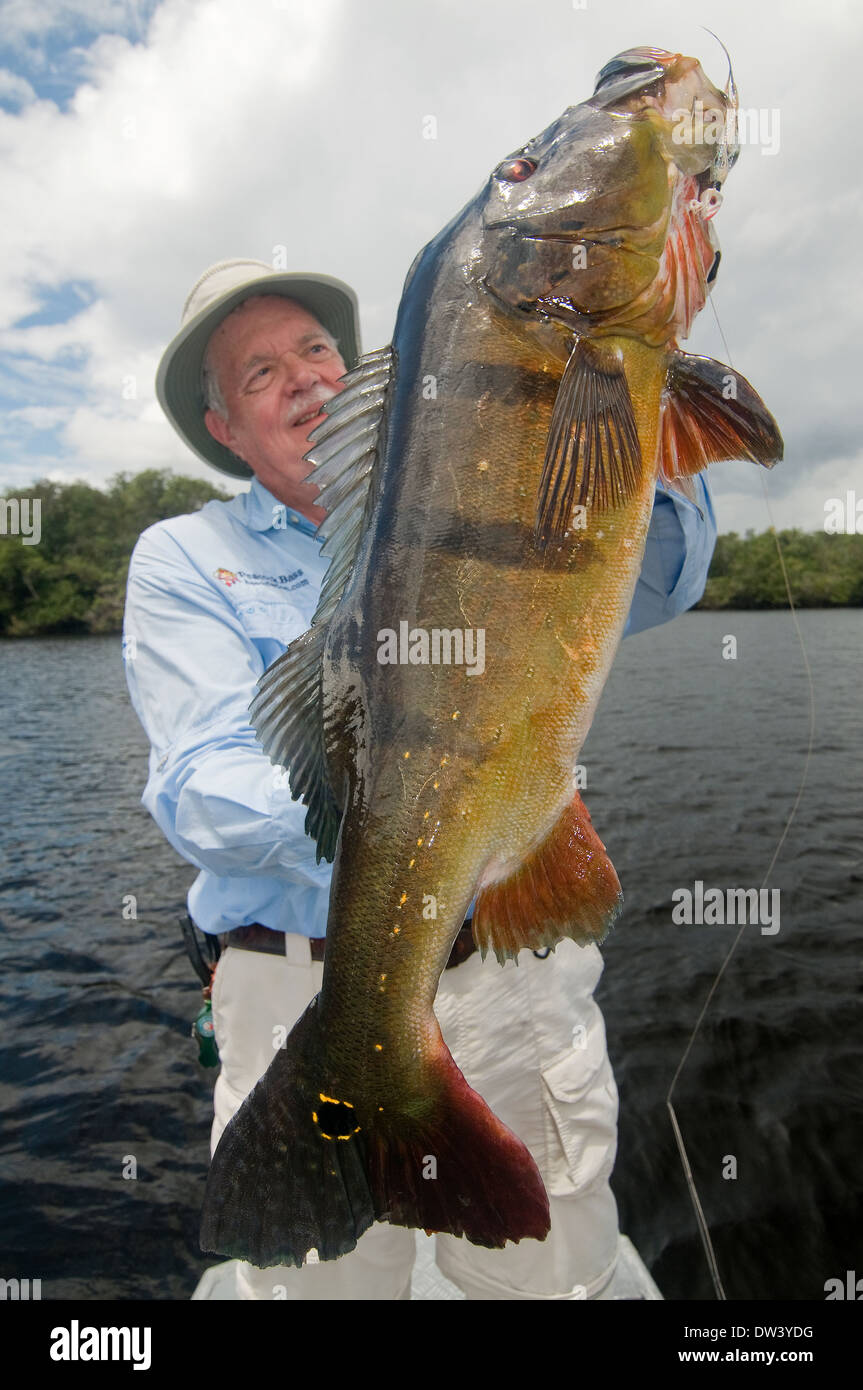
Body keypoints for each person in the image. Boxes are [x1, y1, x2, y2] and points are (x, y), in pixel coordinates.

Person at [123, 258, 716, 1301]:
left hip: (509, 974)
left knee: (546, 1283)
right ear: (223, 427)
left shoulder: (487, 477)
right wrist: (412, 809)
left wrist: (637, 372)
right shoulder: (182, 557)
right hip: (290, 987)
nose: (304, 378)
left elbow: (661, 577)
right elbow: (203, 793)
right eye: (260, 371)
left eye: (315, 348)